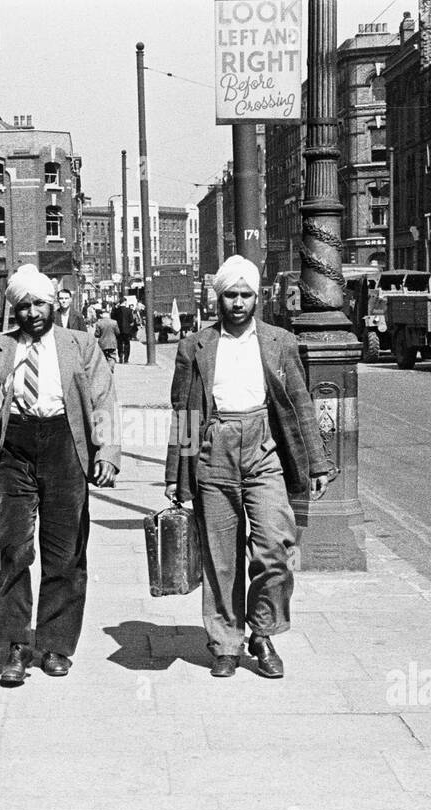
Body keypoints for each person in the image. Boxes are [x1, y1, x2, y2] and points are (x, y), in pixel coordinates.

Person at [0, 264, 120, 686]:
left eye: (40, 303)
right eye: (23, 305)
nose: (33, 312)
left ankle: (56, 644)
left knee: (65, 552)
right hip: (13, 450)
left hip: (66, 447)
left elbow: (102, 400)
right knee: (8, 548)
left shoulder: (80, 345)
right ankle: (16, 645)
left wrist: (107, 452)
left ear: (53, 303)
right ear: (14, 309)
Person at [164, 255, 334, 679]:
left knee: (275, 547)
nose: (238, 303)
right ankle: (225, 643)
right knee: (221, 558)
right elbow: (183, 411)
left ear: (257, 297)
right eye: (230, 295)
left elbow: (300, 404)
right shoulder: (195, 345)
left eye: (245, 295)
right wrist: (175, 474)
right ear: (218, 297)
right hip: (214, 447)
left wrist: (316, 461)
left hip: (264, 447)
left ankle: (262, 631)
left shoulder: (280, 342)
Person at [113, 298, 137, 365]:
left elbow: (113, 320)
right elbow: (132, 322)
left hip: (118, 330)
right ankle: (126, 359)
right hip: (127, 330)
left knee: (119, 343)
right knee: (127, 344)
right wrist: (129, 328)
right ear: (125, 302)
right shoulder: (129, 310)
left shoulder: (116, 310)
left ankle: (120, 357)